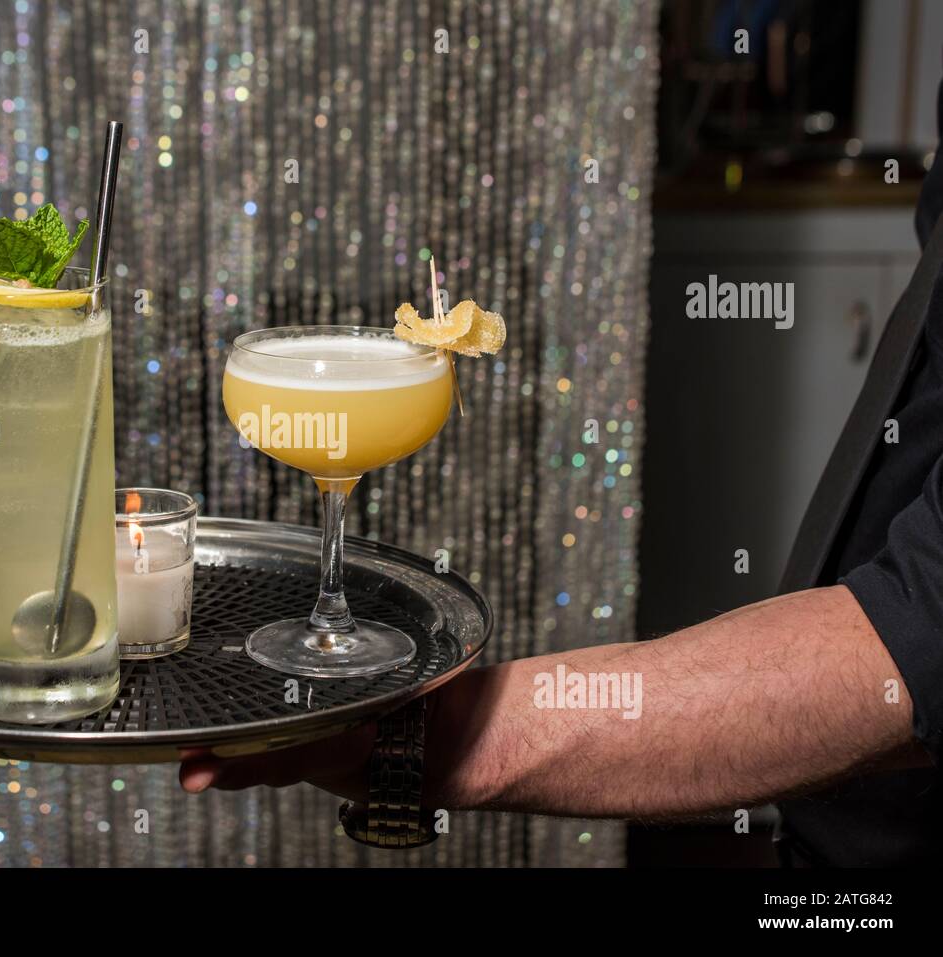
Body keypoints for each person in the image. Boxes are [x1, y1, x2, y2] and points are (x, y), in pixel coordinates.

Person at [178, 93, 943, 870]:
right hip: (845, 828)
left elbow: (922, 632)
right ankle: (330, 612)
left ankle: (333, 614)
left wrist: (416, 743)